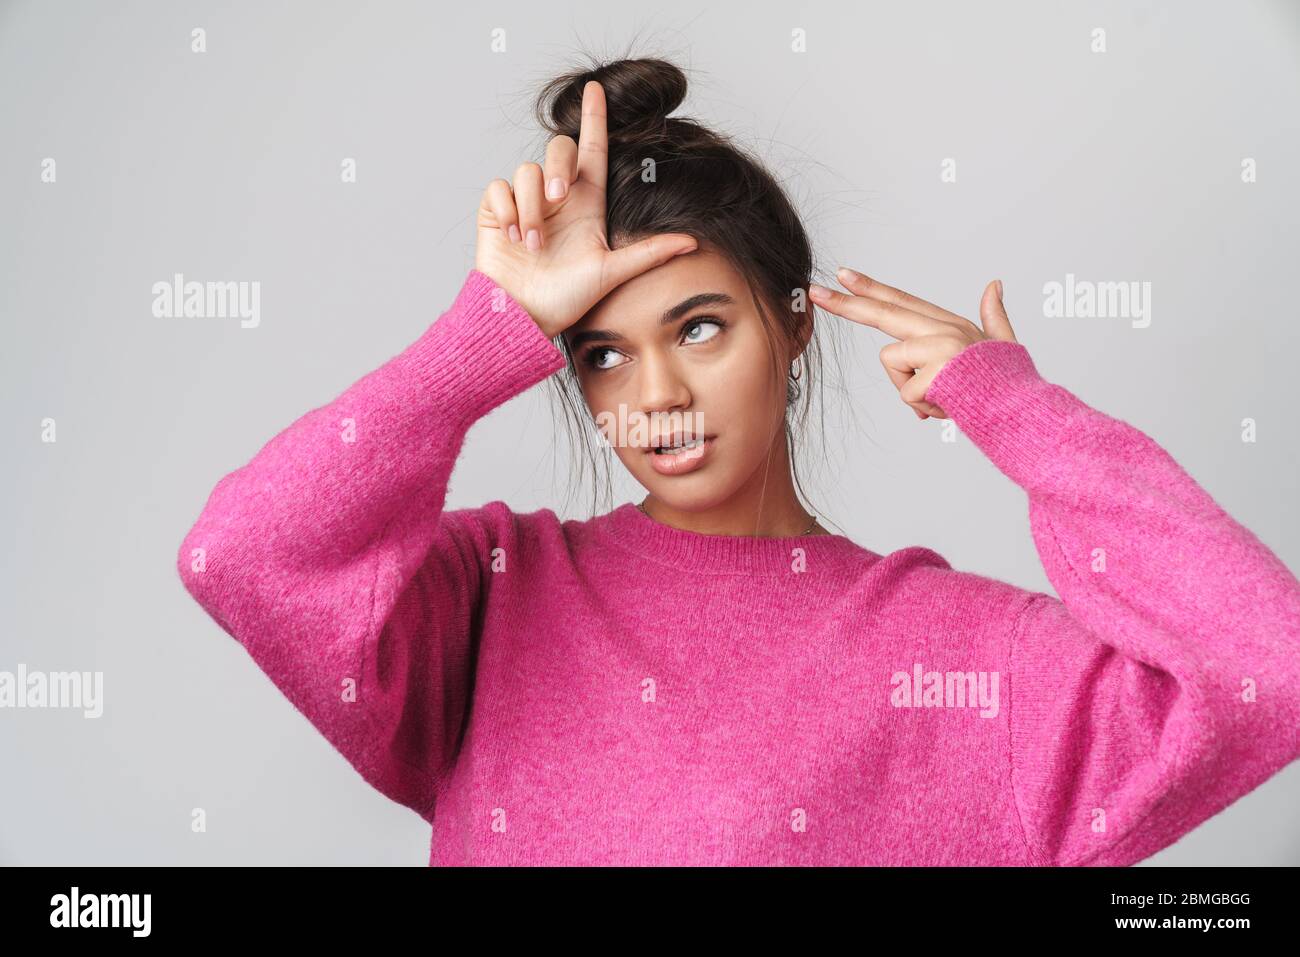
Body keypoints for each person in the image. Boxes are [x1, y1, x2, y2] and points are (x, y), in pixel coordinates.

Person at [176, 58, 1300, 866]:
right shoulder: (494, 594)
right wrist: (483, 336)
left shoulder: (961, 656)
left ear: (794, 324)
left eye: (701, 328)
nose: (654, 397)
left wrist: (1018, 413)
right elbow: (239, 556)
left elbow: (1270, 668)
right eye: (604, 353)